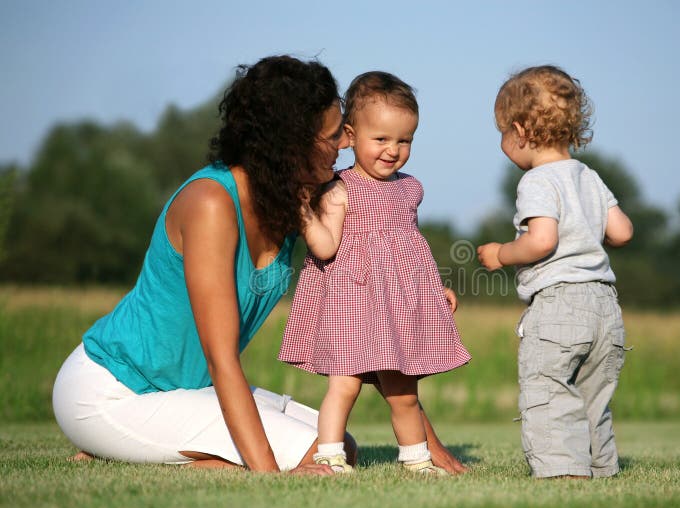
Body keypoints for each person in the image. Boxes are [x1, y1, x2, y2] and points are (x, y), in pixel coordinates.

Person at [52, 56, 464, 475]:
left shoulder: (292, 202)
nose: (345, 144)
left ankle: (136, 448)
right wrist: (269, 475)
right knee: (311, 457)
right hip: (115, 390)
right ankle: (123, 444)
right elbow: (221, 358)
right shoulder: (212, 204)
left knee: (341, 445)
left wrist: (430, 443)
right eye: (333, 134)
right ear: (291, 144)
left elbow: (368, 325)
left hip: (184, 389)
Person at [278, 72, 472, 475]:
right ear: (349, 134)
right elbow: (325, 247)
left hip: (397, 305)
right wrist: (302, 209)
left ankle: (416, 459)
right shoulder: (338, 188)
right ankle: (329, 454)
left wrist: (437, 288)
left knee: (403, 391)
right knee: (344, 383)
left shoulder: (410, 188)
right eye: (381, 139)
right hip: (353, 299)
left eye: (404, 140)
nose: (393, 150)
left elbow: (411, 249)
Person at [477, 65, 634, 479]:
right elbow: (622, 231)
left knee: (549, 390)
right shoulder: (589, 176)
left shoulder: (537, 180)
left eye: (501, 133)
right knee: (593, 399)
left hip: (559, 304)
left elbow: (541, 240)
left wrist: (501, 254)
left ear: (520, 130)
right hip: (605, 307)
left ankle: (563, 474)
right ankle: (600, 469)